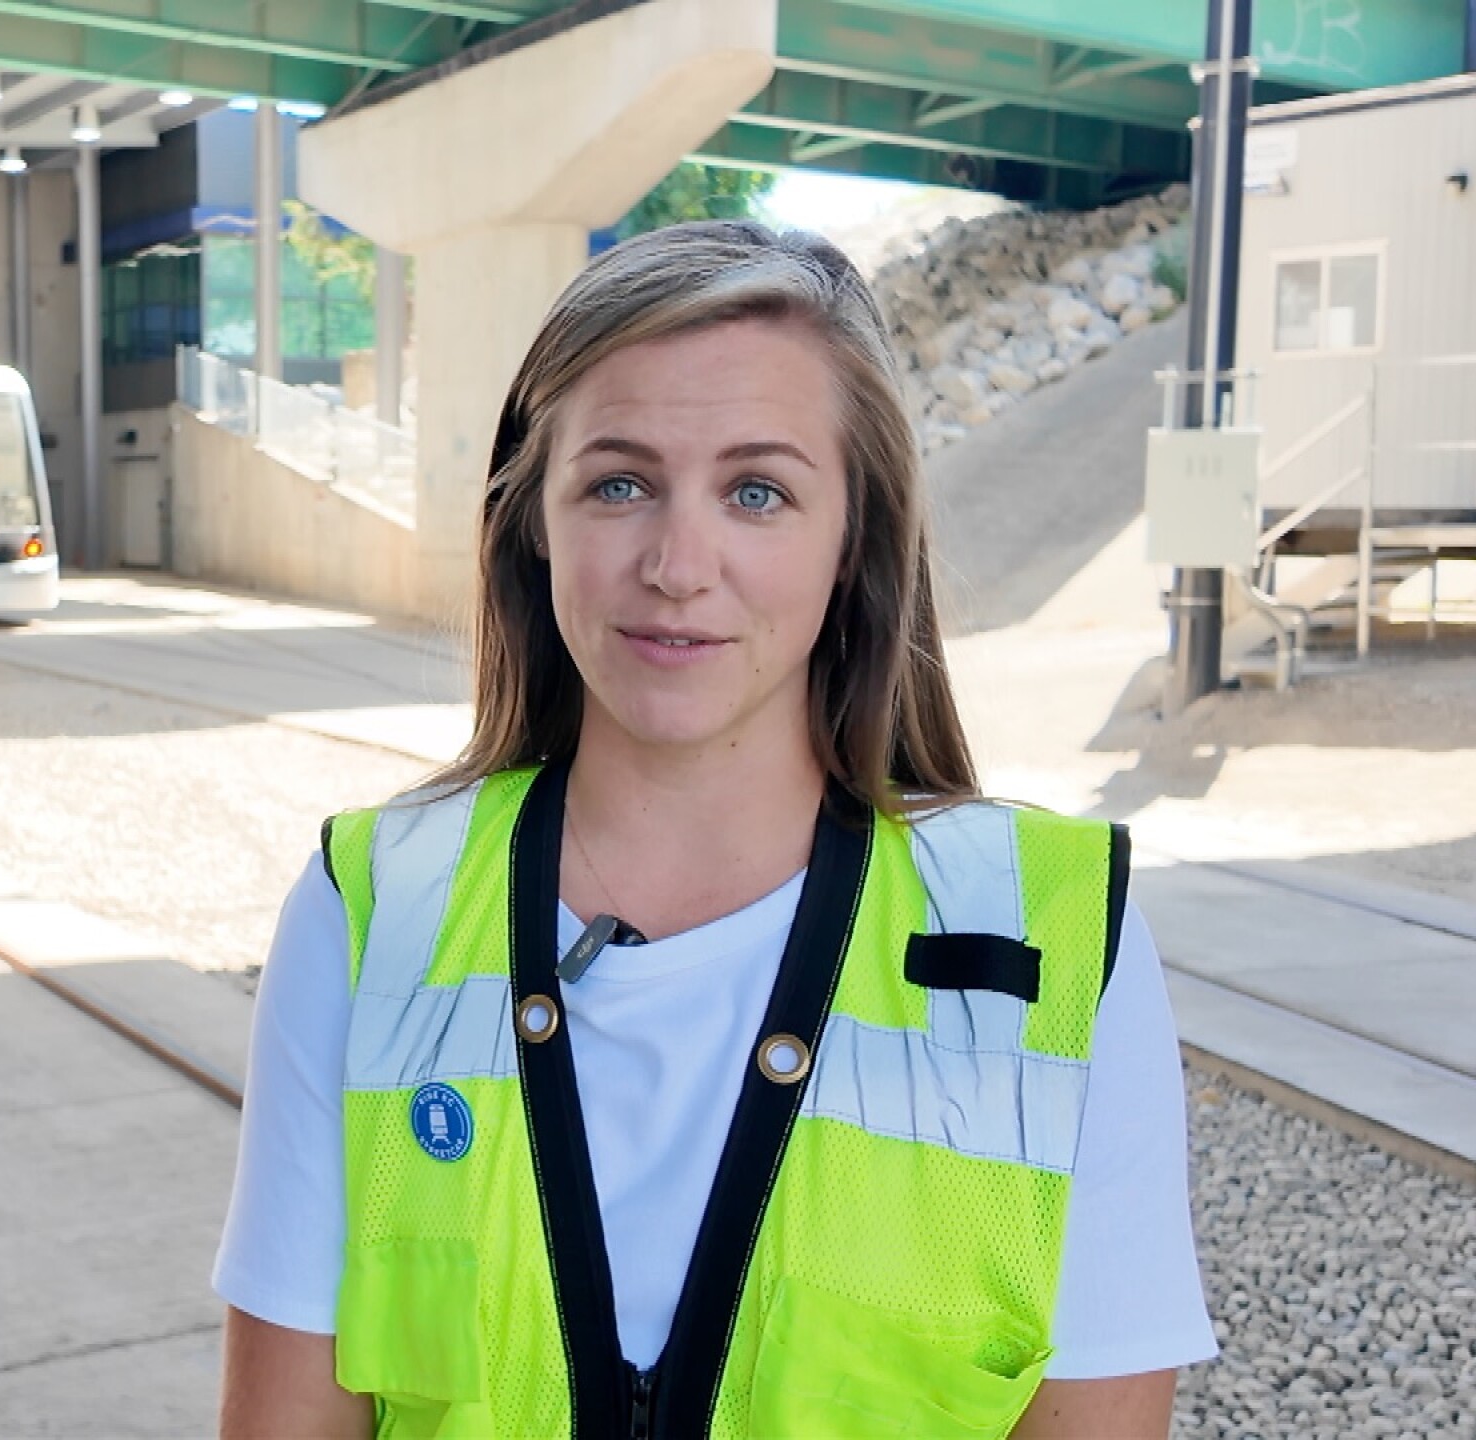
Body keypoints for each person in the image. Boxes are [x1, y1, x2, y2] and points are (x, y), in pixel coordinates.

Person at [214, 221, 1215, 1438]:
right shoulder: (373, 909)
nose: (678, 565)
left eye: (756, 492)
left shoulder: (1055, 942)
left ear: (853, 540)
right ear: (533, 520)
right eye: (618, 484)